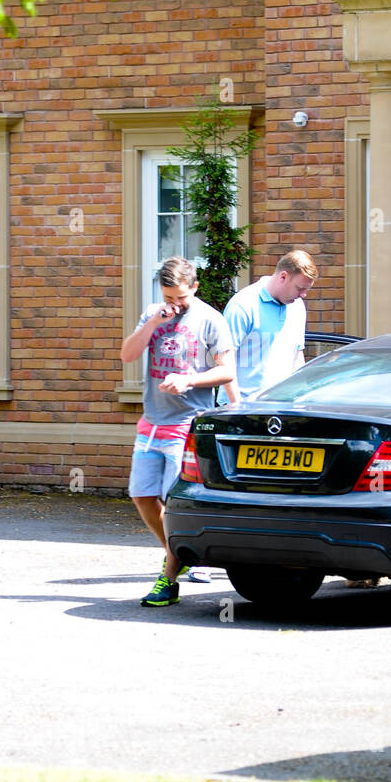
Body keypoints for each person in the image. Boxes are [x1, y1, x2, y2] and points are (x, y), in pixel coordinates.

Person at [120, 256, 235, 608]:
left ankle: (168, 580)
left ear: (195, 287)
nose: (175, 304)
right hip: (151, 424)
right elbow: (128, 355)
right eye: (168, 296)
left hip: (187, 425)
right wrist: (154, 320)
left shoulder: (211, 320)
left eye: (181, 298)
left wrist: (189, 379)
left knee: (175, 503)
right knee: (141, 495)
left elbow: (227, 372)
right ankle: (178, 552)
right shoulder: (154, 314)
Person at [221, 248, 318, 401]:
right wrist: (236, 407)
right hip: (243, 406)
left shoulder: (297, 306)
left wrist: (301, 398)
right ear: (283, 277)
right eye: (300, 288)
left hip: (282, 407)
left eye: (307, 289)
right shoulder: (243, 305)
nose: (303, 295)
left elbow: (297, 355)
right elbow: (225, 360)